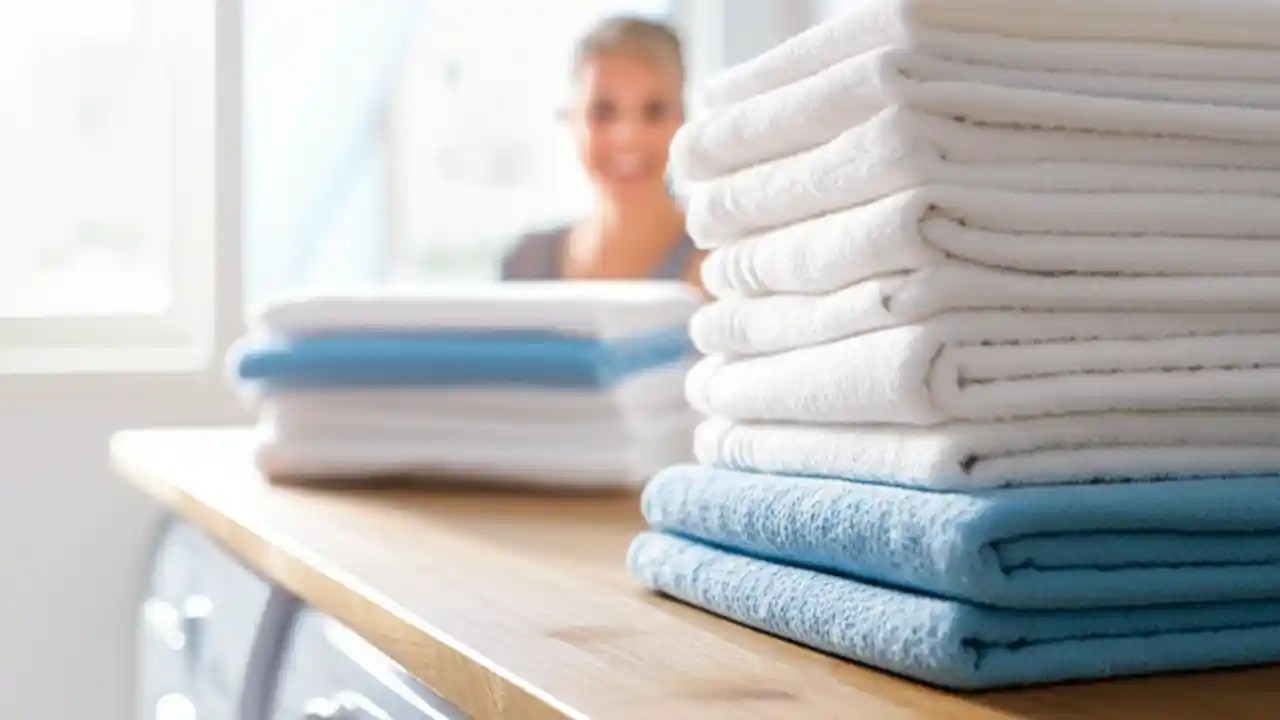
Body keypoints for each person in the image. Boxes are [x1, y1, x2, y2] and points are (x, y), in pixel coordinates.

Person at [502, 17, 703, 286]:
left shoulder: (722, 265)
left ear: (681, 120)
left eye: (654, 111)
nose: (627, 137)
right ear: (571, 119)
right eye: (602, 111)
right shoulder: (525, 264)